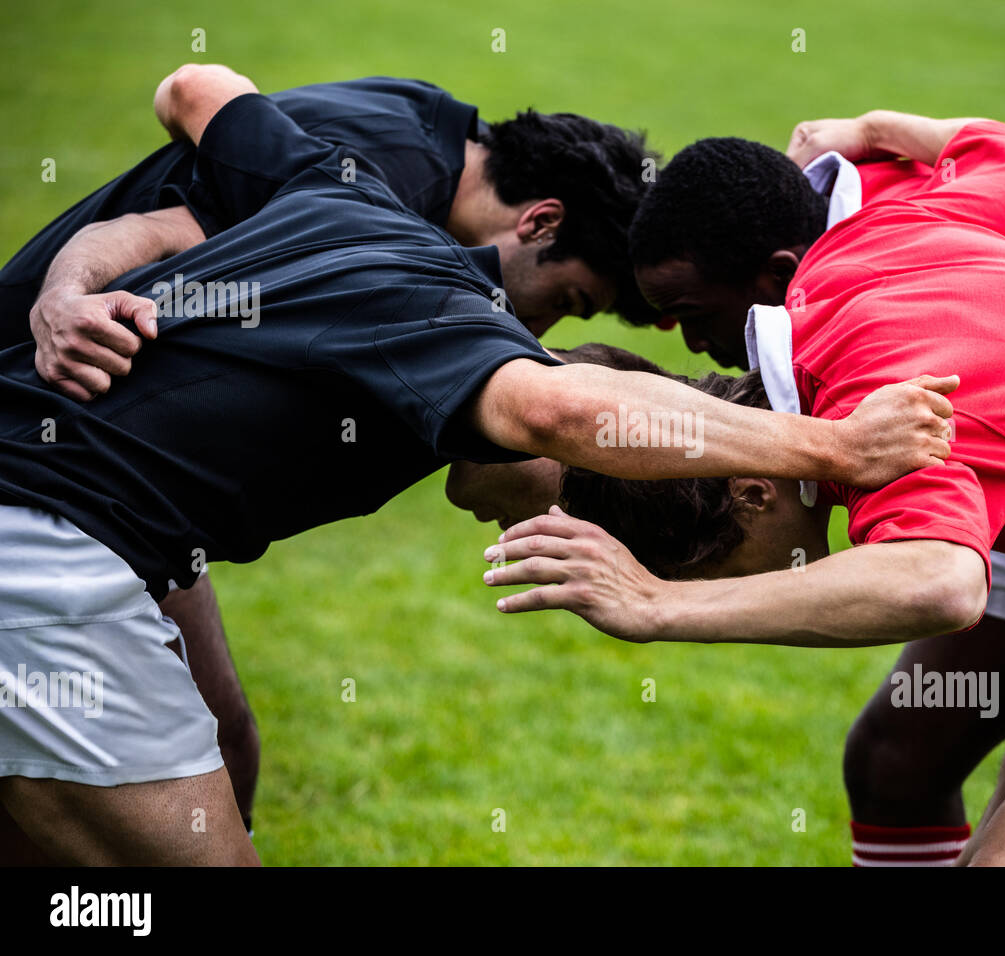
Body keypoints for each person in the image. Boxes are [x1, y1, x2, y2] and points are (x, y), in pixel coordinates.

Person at [0, 86, 954, 865]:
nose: (537, 341)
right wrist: (834, 450)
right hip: (49, 541)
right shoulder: (449, 323)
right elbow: (557, 414)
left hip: (79, 523)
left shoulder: (344, 190)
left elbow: (179, 191)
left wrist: (72, 281)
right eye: (571, 302)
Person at [484, 126, 1005, 865]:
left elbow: (937, 583)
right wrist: (875, 129)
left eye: (730, 571)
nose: (777, 584)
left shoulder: (878, 406)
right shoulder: (852, 242)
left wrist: (659, 607)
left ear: (755, 493)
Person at [0, 62, 657, 839]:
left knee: (221, 739)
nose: (538, 331)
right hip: (56, 454)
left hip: (105, 482)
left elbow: (195, 87)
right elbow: (174, 155)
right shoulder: (383, 184)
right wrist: (62, 293)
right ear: (541, 221)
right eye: (566, 302)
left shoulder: (434, 126)